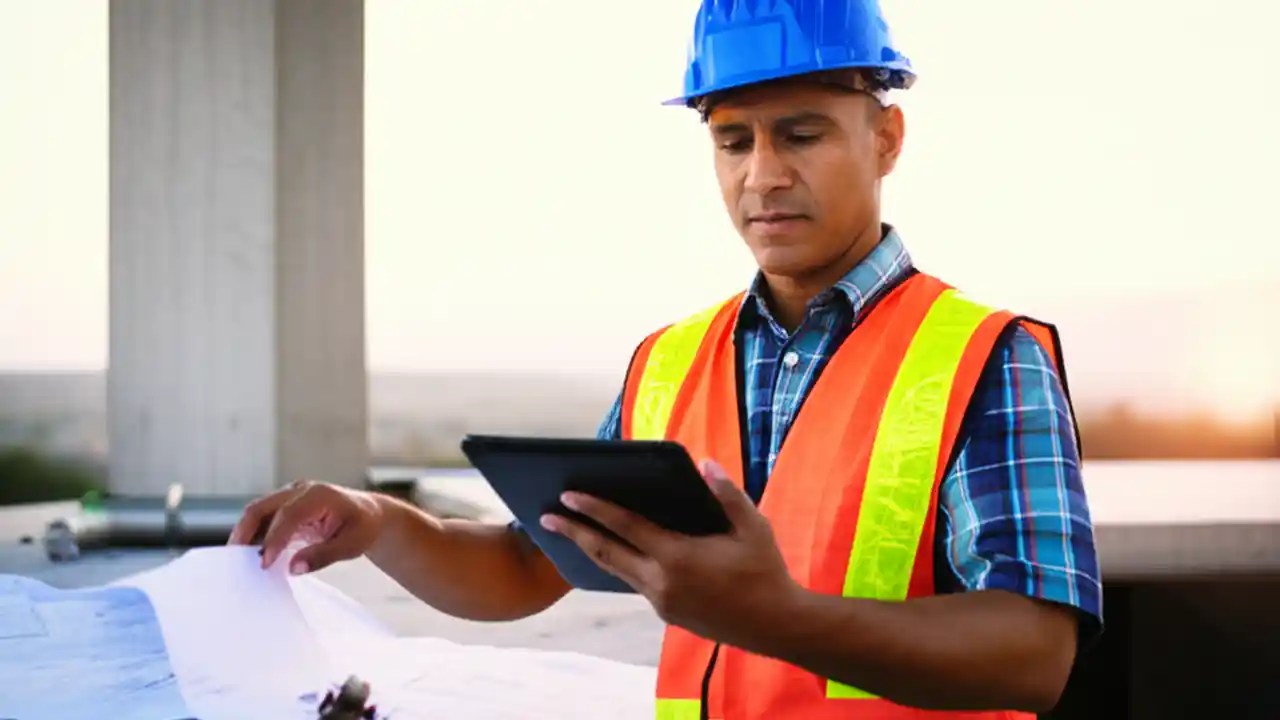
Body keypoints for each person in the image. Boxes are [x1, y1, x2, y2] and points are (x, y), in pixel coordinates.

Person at [229, 1, 1102, 717]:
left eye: (801, 135)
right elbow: (529, 565)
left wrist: (776, 618)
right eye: (733, 141)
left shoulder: (986, 357)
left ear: (887, 139)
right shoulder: (669, 363)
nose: (762, 175)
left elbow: (1032, 655)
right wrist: (379, 522)